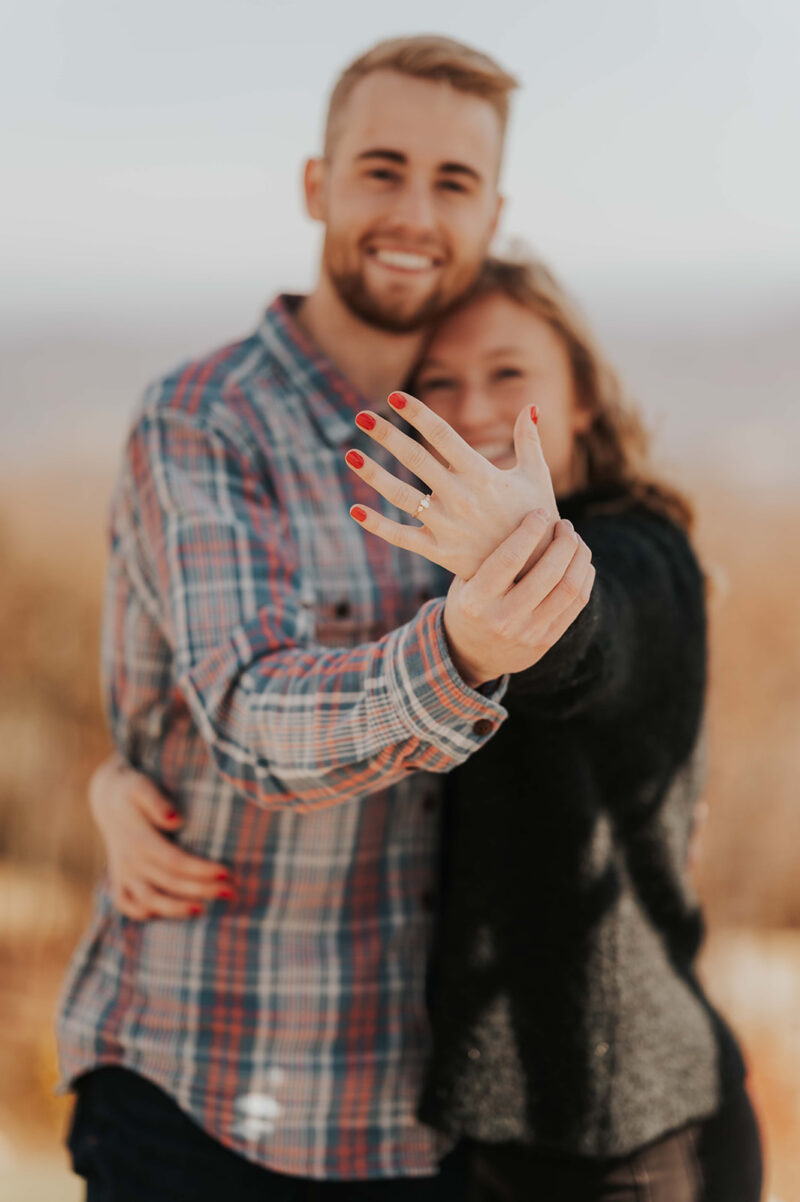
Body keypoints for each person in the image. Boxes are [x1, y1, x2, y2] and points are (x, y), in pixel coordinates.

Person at [96, 255, 764, 1202]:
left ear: (581, 400)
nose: (474, 406)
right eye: (439, 384)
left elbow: (591, 641)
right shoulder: (432, 589)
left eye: (509, 374)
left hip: (631, 1135)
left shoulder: (641, 550)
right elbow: (327, 709)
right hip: (463, 1140)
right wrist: (118, 783)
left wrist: (528, 595)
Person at [57, 38, 595, 1201]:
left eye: (452, 183)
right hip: (205, 1097)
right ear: (317, 184)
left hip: (429, 1118)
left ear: (491, 212)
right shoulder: (204, 419)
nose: (412, 212)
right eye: (380, 169)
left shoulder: (505, 431)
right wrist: (460, 655)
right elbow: (246, 713)